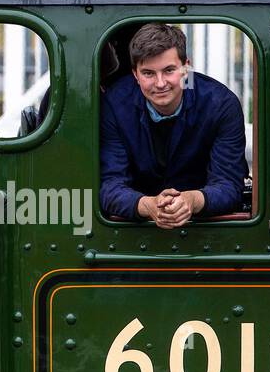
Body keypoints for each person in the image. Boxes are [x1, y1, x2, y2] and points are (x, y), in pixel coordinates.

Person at [99, 23, 247, 227]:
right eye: (148, 73)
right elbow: (110, 185)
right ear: (135, 75)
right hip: (136, 229)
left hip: (202, 229)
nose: (160, 84)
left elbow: (230, 185)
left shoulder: (221, 104)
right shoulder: (115, 103)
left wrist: (191, 201)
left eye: (169, 70)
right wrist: (147, 205)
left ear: (186, 67)